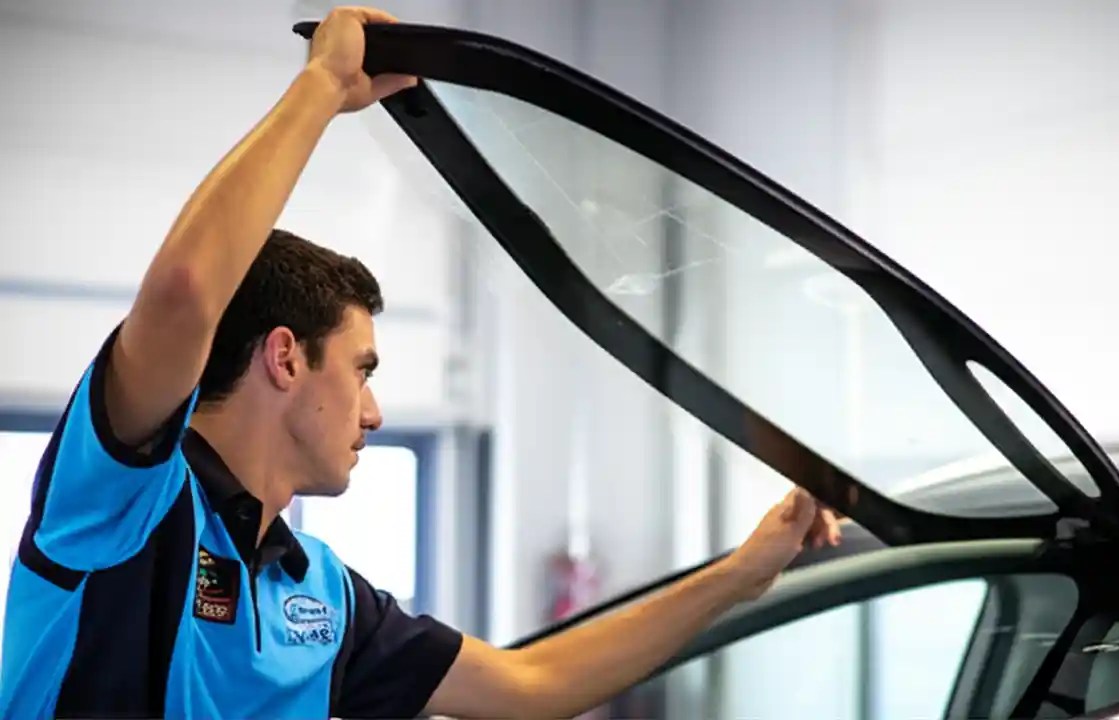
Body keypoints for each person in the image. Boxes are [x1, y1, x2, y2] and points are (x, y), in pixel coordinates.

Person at [0, 6, 844, 719]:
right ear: (285, 358)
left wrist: (739, 576)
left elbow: (533, 682)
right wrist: (323, 88)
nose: (373, 412)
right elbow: (186, 290)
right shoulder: (126, 502)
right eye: (362, 370)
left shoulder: (319, 594)